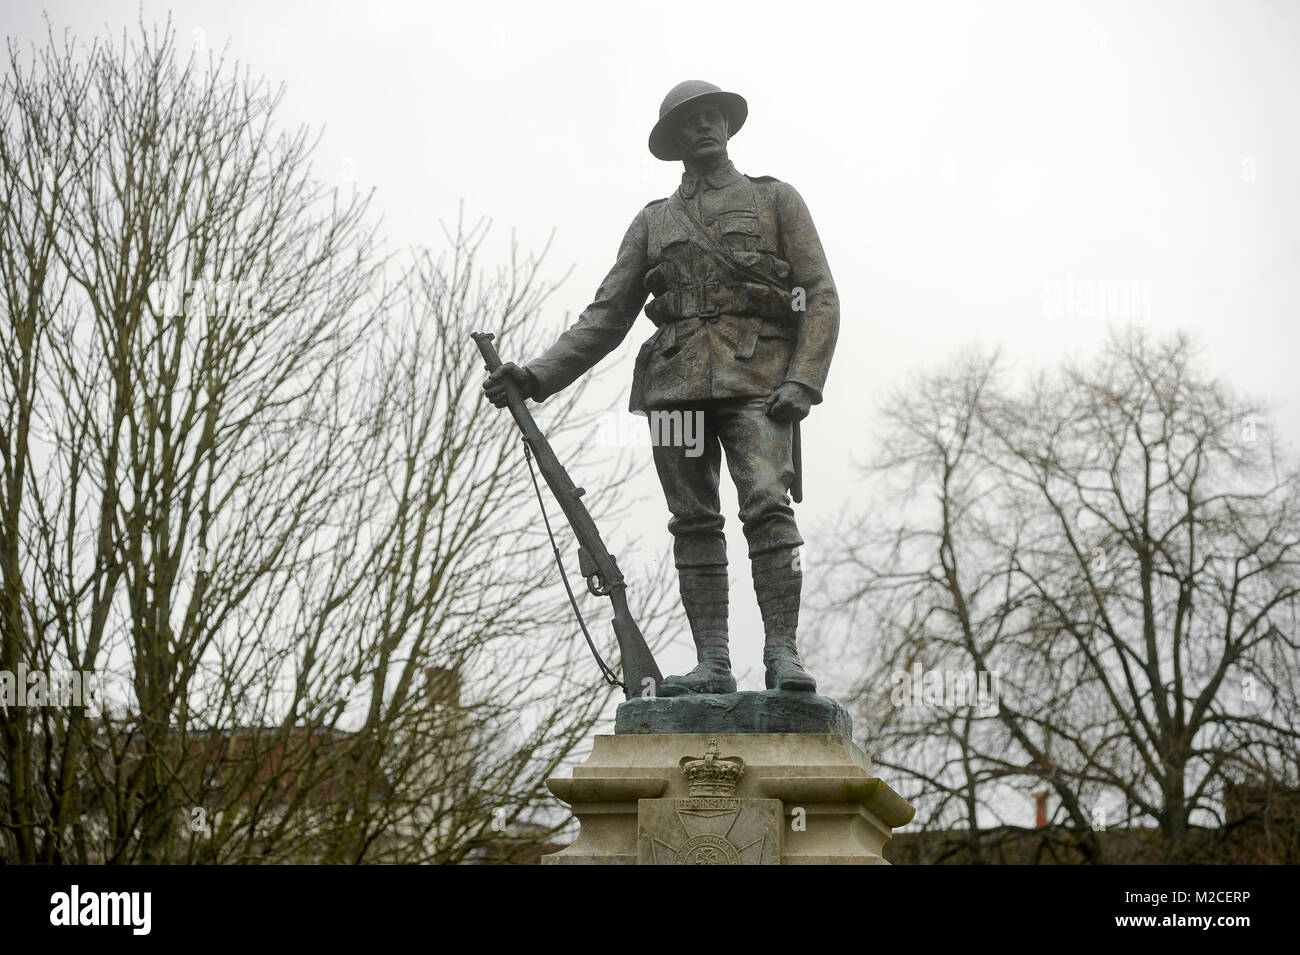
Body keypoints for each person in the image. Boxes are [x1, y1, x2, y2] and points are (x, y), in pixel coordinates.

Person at [484, 80, 839, 695]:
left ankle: (782, 654)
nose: (705, 127)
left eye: (713, 117)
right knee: (693, 521)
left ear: (727, 126)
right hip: (674, 389)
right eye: (691, 122)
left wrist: (804, 378)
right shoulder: (653, 222)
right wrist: (538, 374)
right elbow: (607, 315)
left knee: (767, 506)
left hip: (759, 381)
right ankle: (713, 665)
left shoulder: (775, 200)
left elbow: (819, 296)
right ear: (674, 140)